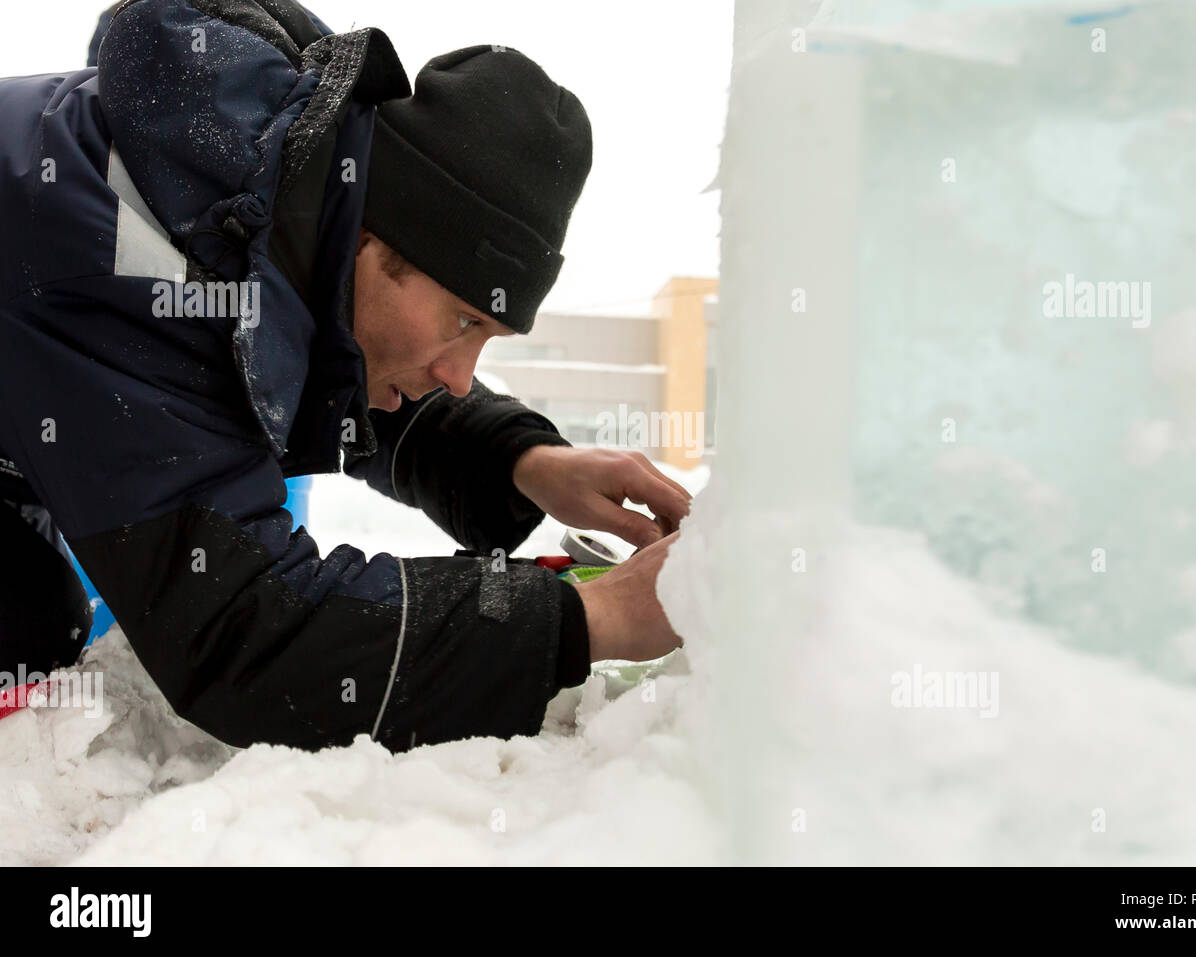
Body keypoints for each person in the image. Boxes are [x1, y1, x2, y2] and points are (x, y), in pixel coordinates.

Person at [0, 0, 688, 749]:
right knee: (24, 638)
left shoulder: (265, 197)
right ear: (370, 241)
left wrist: (520, 459)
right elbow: (245, 631)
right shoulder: (121, 254)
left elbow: (325, 364)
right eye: (465, 321)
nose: (462, 376)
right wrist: (595, 618)